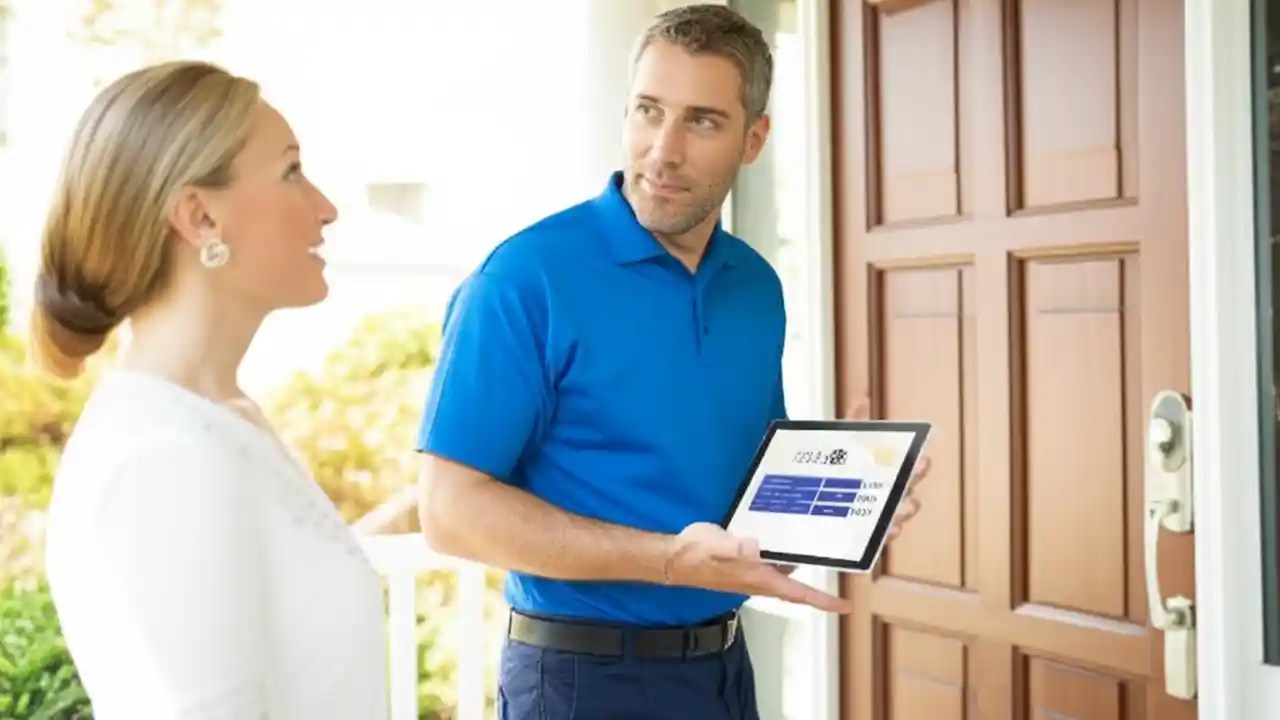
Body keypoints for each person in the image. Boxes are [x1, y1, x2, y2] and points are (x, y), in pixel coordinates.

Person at [415, 5, 930, 719]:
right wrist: (665, 559)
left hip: (723, 674)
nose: (662, 149)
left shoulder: (756, 288)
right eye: (648, 111)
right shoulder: (525, 277)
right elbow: (448, 511)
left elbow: (748, 533)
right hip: (578, 682)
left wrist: (844, 507)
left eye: (703, 121)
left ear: (755, 139)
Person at [37, 61, 387, 718]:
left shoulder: (221, 421)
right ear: (200, 218)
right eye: (290, 171)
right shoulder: (163, 459)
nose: (326, 207)